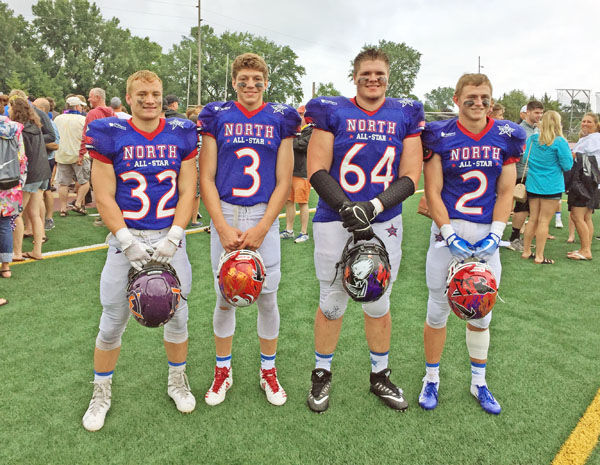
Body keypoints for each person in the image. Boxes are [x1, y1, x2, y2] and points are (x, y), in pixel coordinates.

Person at [304, 48, 423, 413]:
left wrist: (372, 206)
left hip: (384, 219)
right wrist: (347, 207)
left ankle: (379, 375)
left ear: (388, 77)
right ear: (354, 76)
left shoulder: (404, 113)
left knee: (378, 298)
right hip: (334, 217)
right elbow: (316, 169)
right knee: (332, 301)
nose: (373, 79)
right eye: (366, 73)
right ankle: (321, 374)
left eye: (379, 73)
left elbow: (410, 175)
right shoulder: (333, 110)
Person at [81, 70, 198, 432]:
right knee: (112, 321)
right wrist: (125, 240)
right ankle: (101, 391)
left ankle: (177, 381)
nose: (150, 100)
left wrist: (175, 235)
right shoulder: (111, 133)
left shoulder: (180, 132)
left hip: (169, 237)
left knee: (178, 316)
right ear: (129, 98)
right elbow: (103, 194)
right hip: (126, 237)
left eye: (156, 94)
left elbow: (188, 190)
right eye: (143, 94)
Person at [419, 73, 526, 415]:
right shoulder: (439, 134)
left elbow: (506, 192)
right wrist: (448, 233)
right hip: (447, 232)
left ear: (491, 100)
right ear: (456, 99)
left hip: (486, 231)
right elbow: (433, 190)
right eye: (471, 97)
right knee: (437, 309)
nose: (478, 103)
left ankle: (478, 381)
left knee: (481, 311)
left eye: (484, 97)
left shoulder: (507, 135)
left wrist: (497, 233)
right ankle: (431, 377)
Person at [198, 52, 300, 407]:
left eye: (257, 80)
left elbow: (284, 180)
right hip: (226, 210)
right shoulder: (218, 115)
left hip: (262, 212)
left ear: (266, 82)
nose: (250, 85)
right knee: (225, 297)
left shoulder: (280, 118)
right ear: (234, 82)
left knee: (267, 297)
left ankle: (268, 371)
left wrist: (264, 226)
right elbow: (206, 177)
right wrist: (221, 226)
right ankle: (222, 370)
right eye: (243, 79)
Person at [521, 111, 573, 264]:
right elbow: (567, 165)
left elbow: (525, 159)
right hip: (552, 185)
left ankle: (526, 251)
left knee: (532, 219)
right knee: (544, 221)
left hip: (533, 183)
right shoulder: (560, 142)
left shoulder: (532, 139)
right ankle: (539, 256)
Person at [8, 95, 51, 261]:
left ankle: (17, 252)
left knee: (17, 214)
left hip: (30, 175)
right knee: (34, 213)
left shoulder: (20, 130)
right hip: (42, 173)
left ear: (16, 110)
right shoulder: (36, 126)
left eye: (11, 108)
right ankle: (37, 250)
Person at [508, 100, 544, 251]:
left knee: (527, 207)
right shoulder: (520, 130)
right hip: (522, 172)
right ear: (527, 112)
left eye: (541, 113)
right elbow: (517, 153)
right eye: (536, 112)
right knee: (522, 206)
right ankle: (513, 239)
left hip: (533, 173)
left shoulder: (537, 130)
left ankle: (517, 238)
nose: (539, 116)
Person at [566, 112, 600, 260]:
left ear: (596, 125)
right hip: (590, 182)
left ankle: (586, 250)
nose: (585, 124)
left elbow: (578, 156)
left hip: (585, 182)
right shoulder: (587, 138)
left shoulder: (595, 139)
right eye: (584, 121)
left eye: (589, 122)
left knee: (576, 215)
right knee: (586, 217)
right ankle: (585, 248)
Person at [280, 105, 313, 243]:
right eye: (298, 114)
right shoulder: (295, 129)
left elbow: (301, 145)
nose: (299, 117)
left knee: (303, 202)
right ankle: (289, 230)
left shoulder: (312, 130)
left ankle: (304, 232)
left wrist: (289, 138)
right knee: (289, 201)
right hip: (291, 170)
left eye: (302, 114)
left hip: (303, 171)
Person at [0, 115, 27, 278]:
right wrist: (20, 181)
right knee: (4, 225)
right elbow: (21, 157)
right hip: (10, 183)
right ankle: (6, 267)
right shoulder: (15, 128)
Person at [53, 96, 88, 216]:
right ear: (77, 106)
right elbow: (87, 137)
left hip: (62, 155)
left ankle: (63, 209)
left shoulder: (58, 119)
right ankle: (78, 203)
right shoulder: (82, 119)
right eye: (81, 106)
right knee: (84, 182)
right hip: (79, 155)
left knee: (63, 184)